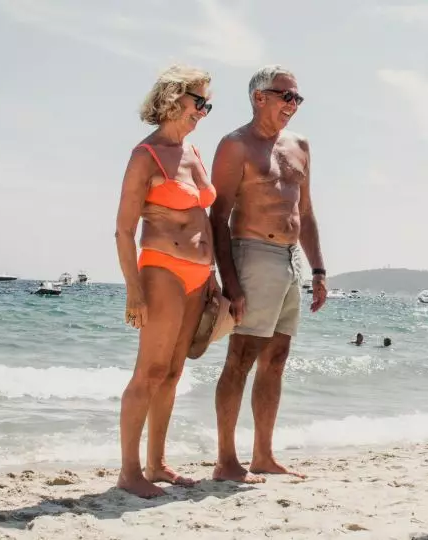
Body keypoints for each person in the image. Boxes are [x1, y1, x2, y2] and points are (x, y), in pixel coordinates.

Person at [209, 65, 328, 483]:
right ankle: (226, 460)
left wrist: (318, 269)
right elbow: (218, 217)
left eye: (297, 98)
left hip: (291, 259)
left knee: (276, 359)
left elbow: (307, 212)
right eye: (286, 96)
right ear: (260, 97)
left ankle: (263, 455)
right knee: (240, 357)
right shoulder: (235, 145)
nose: (293, 105)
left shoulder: (301, 146)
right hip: (252, 253)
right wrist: (230, 282)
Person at [114, 64, 216, 498]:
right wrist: (134, 290)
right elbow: (123, 230)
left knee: (173, 373)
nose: (203, 112)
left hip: (199, 277)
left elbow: (203, 215)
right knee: (149, 372)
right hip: (162, 270)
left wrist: (213, 277)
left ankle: (157, 463)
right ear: (173, 98)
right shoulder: (146, 155)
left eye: (208, 105)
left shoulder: (193, 153)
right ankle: (129, 471)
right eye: (199, 102)